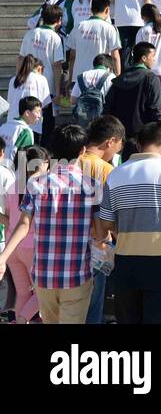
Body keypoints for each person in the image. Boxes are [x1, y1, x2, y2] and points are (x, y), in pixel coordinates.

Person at [0, 125, 99, 324]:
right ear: (82, 151)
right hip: (76, 274)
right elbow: (100, 230)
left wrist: (3, 258)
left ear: (52, 151)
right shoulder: (91, 185)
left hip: (44, 275)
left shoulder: (36, 184)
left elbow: (23, 224)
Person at [93, 122, 161, 324]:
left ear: (138, 145)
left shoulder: (116, 173)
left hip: (126, 259)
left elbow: (106, 222)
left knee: (128, 318)